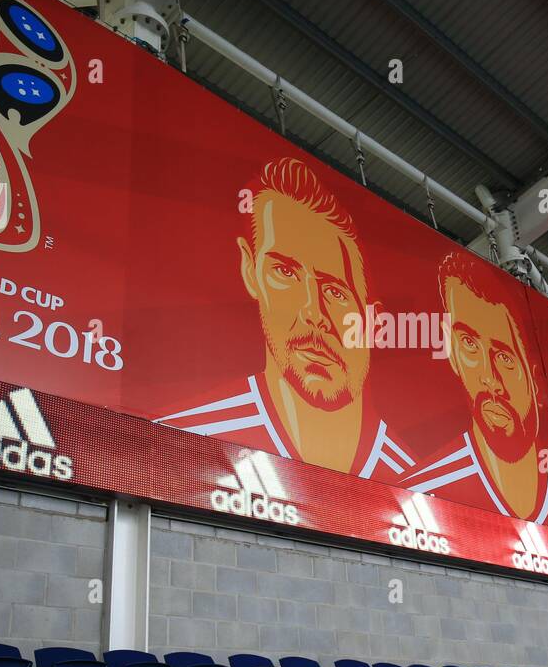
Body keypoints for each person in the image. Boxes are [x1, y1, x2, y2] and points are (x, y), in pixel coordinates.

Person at [154, 157, 413, 480]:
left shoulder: (417, 477)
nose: (313, 314)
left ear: (374, 322)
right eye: (285, 272)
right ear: (250, 270)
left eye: (336, 292)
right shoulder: (181, 439)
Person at [402, 253, 548, 522]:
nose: (489, 379)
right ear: (454, 358)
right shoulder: (416, 497)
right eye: (469, 344)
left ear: (537, 380)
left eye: (504, 357)